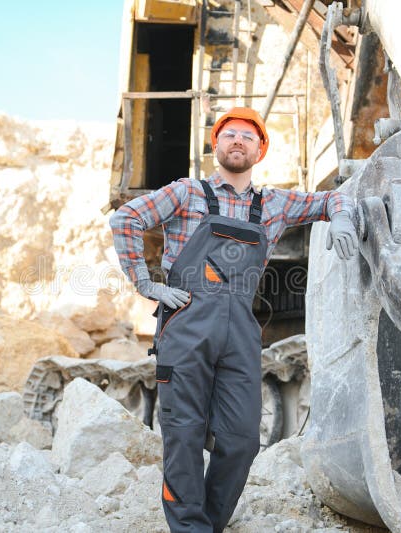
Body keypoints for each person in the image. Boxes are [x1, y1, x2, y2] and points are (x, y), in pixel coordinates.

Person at [109, 107, 358, 532]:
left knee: (242, 439)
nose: (238, 140)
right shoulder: (187, 192)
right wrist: (147, 284)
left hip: (240, 328)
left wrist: (343, 218)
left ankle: (208, 522)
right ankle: (190, 528)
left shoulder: (274, 204)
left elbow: (333, 197)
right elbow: (125, 218)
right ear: (216, 145)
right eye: (229, 134)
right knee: (184, 433)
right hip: (186, 322)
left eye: (248, 135)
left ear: (260, 150)